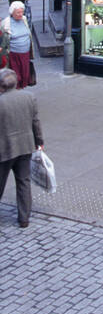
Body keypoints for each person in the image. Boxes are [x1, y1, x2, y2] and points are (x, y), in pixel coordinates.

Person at [0, 67, 44, 227]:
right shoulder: (29, 97)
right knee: (24, 182)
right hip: (25, 146)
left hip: (4, 150)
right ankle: (24, 218)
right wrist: (39, 142)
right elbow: (35, 122)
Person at [3, 2, 33, 90]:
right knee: (16, 76)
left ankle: (20, 91)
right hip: (14, 55)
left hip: (25, 54)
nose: (20, 14)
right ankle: (15, 92)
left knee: (25, 75)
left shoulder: (24, 19)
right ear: (12, 13)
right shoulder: (6, 23)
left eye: (22, 12)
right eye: (18, 13)